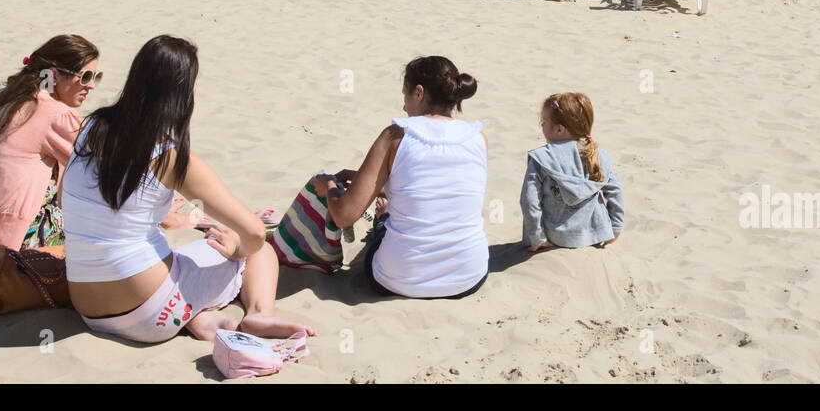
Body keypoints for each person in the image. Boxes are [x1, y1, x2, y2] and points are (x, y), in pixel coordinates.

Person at [63, 35, 316, 344]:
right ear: (184, 91)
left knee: (176, 256)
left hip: (89, 311)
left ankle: (198, 318)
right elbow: (254, 233)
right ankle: (259, 315)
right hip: (150, 309)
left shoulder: (90, 127)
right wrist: (239, 249)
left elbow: (66, 195)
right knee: (259, 251)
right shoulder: (170, 157)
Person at [308, 56, 487, 299]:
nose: (404, 107)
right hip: (468, 276)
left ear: (419, 93)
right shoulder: (478, 137)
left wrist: (327, 185)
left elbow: (344, 215)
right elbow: (435, 190)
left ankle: (382, 219)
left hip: (400, 279)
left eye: (405, 95)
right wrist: (370, 183)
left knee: (383, 223)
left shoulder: (396, 136)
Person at [0, 35, 100, 257]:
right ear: (53, 74)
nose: (91, 86)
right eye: (85, 76)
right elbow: (102, 166)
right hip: (12, 250)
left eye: (97, 77)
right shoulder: (56, 114)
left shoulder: (6, 98)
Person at [521, 92, 623, 252]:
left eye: (544, 121)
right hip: (594, 235)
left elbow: (529, 201)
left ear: (560, 129)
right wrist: (615, 227)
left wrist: (537, 237)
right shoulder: (598, 155)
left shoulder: (541, 158)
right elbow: (615, 192)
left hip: (555, 236)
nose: (541, 125)